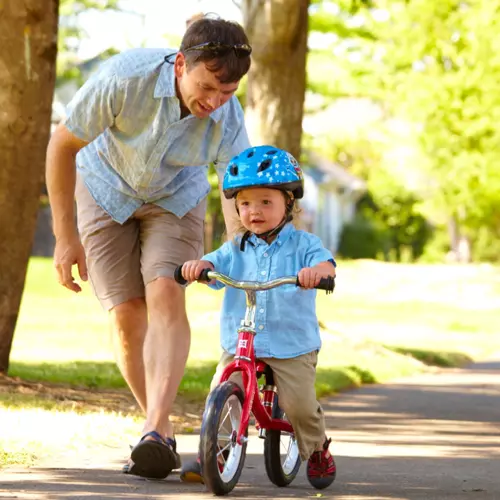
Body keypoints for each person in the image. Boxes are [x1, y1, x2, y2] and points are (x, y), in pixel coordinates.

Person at [45, 16, 252, 479]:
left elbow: (235, 181)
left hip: (175, 197)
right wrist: (64, 237)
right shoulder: (125, 79)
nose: (214, 102)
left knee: (165, 291)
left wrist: (239, 238)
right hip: (103, 188)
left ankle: (155, 429)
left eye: (228, 93)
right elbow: (62, 145)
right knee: (126, 315)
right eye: (207, 87)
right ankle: (159, 427)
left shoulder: (227, 115)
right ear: (180, 64)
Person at [179, 145, 337, 489]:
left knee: (298, 406)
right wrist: (200, 267)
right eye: (246, 203)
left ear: (288, 204)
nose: (255, 211)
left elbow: (326, 264)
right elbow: (213, 262)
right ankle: (215, 454)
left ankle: (317, 448)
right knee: (221, 391)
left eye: (267, 201)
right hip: (240, 342)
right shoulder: (234, 247)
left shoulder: (304, 245)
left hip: (290, 343)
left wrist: (317, 273)